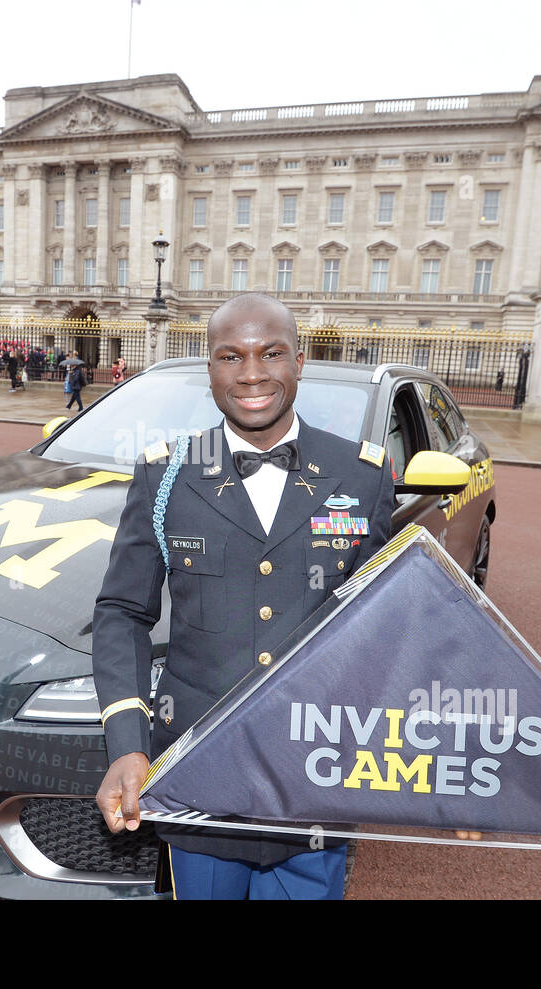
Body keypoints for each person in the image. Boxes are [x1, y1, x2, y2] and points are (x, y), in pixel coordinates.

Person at [91, 293, 396, 900]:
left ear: (300, 362)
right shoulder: (167, 472)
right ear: (210, 369)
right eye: (231, 356)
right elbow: (123, 612)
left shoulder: (361, 473)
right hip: (199, 778)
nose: (252, 373)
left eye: (271, 353)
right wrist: (127, 742)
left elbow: (380, 622)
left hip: (314, 779)